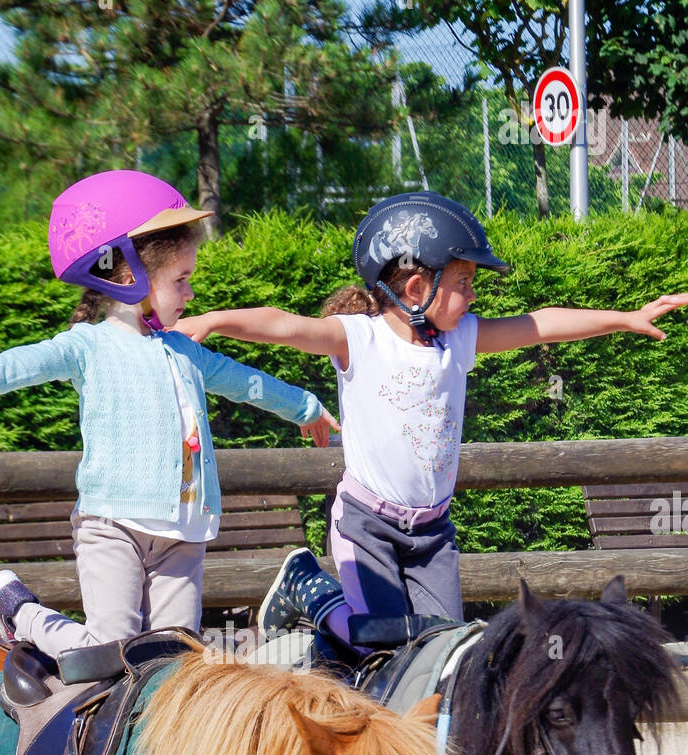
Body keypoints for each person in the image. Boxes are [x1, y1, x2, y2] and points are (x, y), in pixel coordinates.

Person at [183, 190, 688, 644]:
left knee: (442, 646)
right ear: (417, 287)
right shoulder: (360, 338)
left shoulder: (460, 340)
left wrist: (624, 318)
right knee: (376, 641)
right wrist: (213, 321)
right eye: (465, 281)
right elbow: (284, 325)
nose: (474, 295)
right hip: (368, 526)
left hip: (432, 533)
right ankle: (311, 593)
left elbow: (541, 325)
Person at [0, 169, 337, 653]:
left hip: (183, 531)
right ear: (127, 274)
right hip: (112, 523)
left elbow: (248, 383)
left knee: (175, 657)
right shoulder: (89, 346)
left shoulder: (185, 350)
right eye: (181, 280)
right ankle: (21, 612)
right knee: (108, 649)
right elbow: (30, 360)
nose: (191, 293)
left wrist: (305, 407)